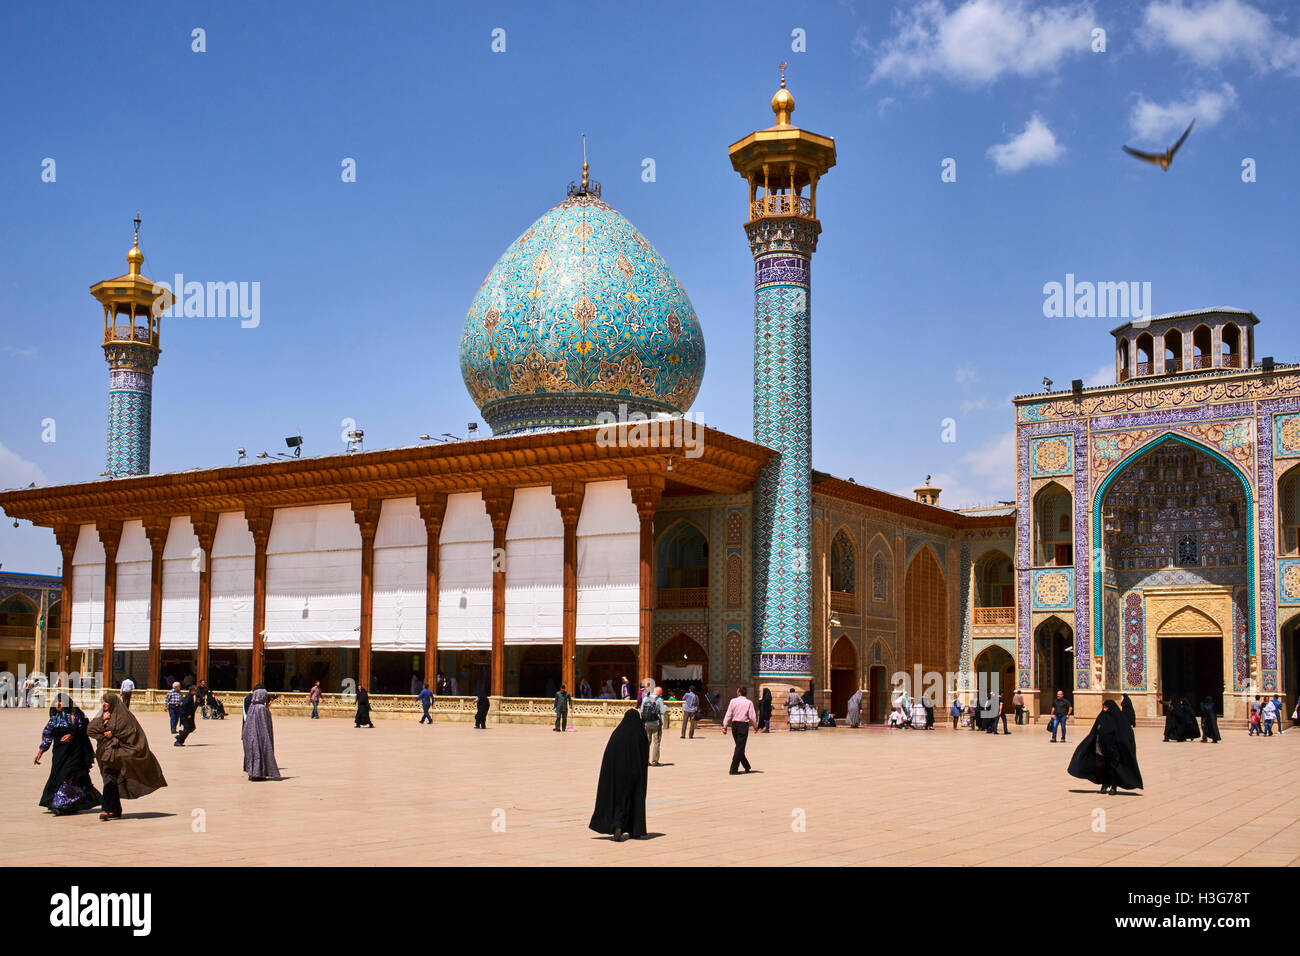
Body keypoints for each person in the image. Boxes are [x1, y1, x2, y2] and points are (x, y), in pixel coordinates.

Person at [86, 692, 167, 821]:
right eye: (102, 701)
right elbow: (90, 730)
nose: (104, 704)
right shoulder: (101, 715)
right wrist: (102, 722)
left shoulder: (124, 717)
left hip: (121, 755)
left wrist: (112, 734)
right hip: (107, 754)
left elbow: (131, 733)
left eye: (106, 701)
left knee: (110, 781)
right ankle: (115, 810)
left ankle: (106, 809)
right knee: (110, 781)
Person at [35, 693, 101, 815]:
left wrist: (72, 735)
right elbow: (47, 735)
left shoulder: (74, 717)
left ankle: (62, 804)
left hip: (75, 753)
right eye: (57, 702)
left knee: (68, 777)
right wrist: (40, 751)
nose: (58, 704)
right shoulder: (54, 719)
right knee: (59, 775)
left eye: (61, 702)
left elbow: (84, 729)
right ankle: (68, 803)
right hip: (59, 754)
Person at [588, 709, 649, 841]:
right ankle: (634, 829)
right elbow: (644, 754)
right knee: (635, 799)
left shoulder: (618, 733)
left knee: (619, 799)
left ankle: (618, 825)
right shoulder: (640, 732)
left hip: (618, 774)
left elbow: (609, 756)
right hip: (636, 773)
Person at [1068, 698, 1143, 795]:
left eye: (1106, 707)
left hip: (1113, 750)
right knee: (1101, 768)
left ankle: (1114, 787)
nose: (1104, 709)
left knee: (1113, 768)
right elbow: (1094, 731)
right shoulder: (1101, 717)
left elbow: (1125, 734)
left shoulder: (1118, 719)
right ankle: (1104, 784)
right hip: (1100, 748)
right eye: (1103, 707)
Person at [242, 688, 281, 781]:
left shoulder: (252, 706)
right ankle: (258, 775)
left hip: (250, 736)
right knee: (259, 753)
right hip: (259, 736)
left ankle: (252, 773)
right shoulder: (261, 708)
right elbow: (265, 724)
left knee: (253, 754)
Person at [722, 686, 758, 774]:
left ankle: (746, 765)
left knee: (739, 747)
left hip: (735, 726)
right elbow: (752, 716)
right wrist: (755, 726)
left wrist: (725, 726)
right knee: (739, 747)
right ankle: (734, 769)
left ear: (739, 693)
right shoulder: (749, 702)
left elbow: (729, 714)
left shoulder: (733, 701)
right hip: (743, 726)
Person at [640, 685, 666, 765]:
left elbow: (641, 710)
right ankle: (654, 761)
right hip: (656, 723)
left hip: (646, 723)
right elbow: (663, 711)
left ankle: (645, 760)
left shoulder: (645, 698)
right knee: (656, 742)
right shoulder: (659, 700)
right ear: (660, 693)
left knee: (647, 742)